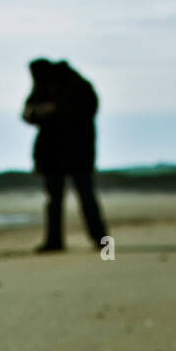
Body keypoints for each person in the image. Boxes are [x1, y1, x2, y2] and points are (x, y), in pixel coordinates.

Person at [22, 59, 108, 253]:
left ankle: (100, 239)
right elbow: (27, 113)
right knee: (57, 200)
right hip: (52, 154)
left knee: (85, 197)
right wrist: (38, 113)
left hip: (77, 151)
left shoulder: (77, 86)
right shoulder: (41, 88)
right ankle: (55, 241)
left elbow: (88, 109)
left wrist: (55, 110)